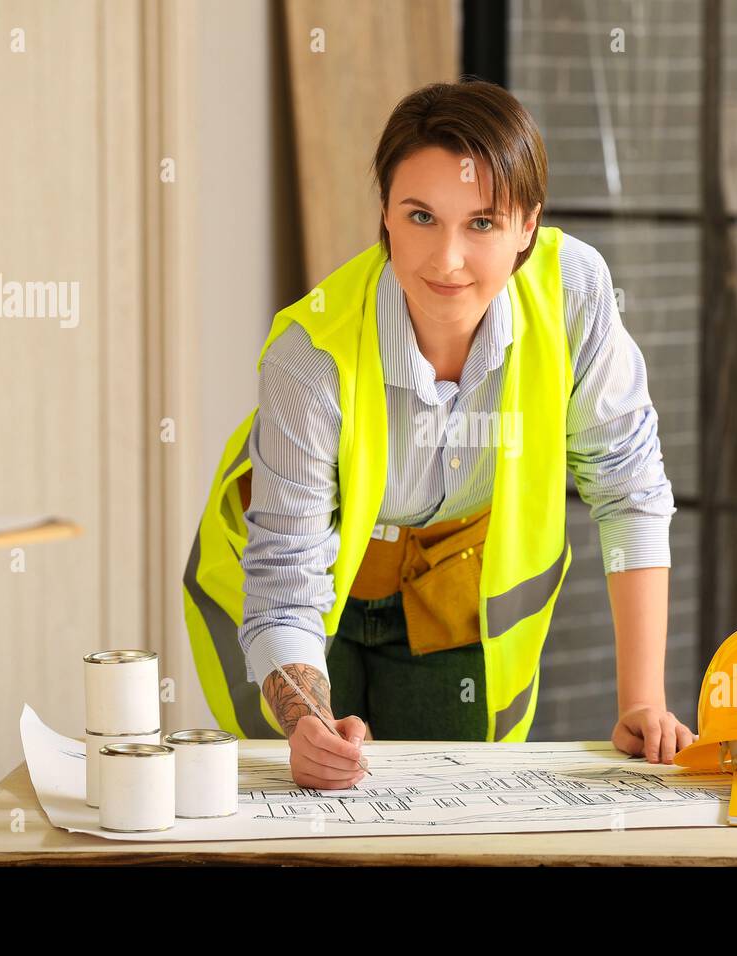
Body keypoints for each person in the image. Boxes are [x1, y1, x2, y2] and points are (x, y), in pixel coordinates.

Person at [238, 78, 695, 790]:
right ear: (385, 214)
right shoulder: (311, 357)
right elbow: (285, 581)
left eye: (482, 223)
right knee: (310, 812)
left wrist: (642, 701)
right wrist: (308, 723)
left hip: (446, 599)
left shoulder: (572, 293)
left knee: (435, 819)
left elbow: (628, 489)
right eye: (421, 216)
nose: (446, 259)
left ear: (527, 228)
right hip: (307, 596)